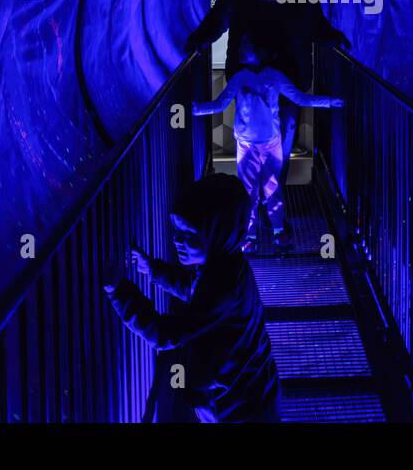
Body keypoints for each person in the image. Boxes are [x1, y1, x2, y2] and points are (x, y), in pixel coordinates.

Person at [103, 174, 281, 423]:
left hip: (239, 408)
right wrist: (153, 269)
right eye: (177, 230)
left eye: (190, 235)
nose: (177, 240)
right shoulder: (228, 266)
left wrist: (118, 292)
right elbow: (193, 289)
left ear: (219, 234)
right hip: (250, 394)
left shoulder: (222, 285)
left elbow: (166, 334)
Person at [185, 0, 350, 189]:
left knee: (277, 144)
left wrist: (333, 36)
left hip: (283, 78)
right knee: (262, 140)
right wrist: (199, 39)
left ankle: (269, 201)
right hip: (261, 80)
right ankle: (264, 203)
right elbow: (217, 21)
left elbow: (316, 25)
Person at [193, 36, 344, 252]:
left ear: (259, 52)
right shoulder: (240, 77)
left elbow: (300, 98)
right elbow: (220, 103)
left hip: (270, 141)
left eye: (247, 45)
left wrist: (328, 102)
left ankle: (277, 230)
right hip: (247, 143)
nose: (242, 48)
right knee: (248, 190)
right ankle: (250, 235)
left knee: (272, 186)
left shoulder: (273, 76)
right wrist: (197, 109)